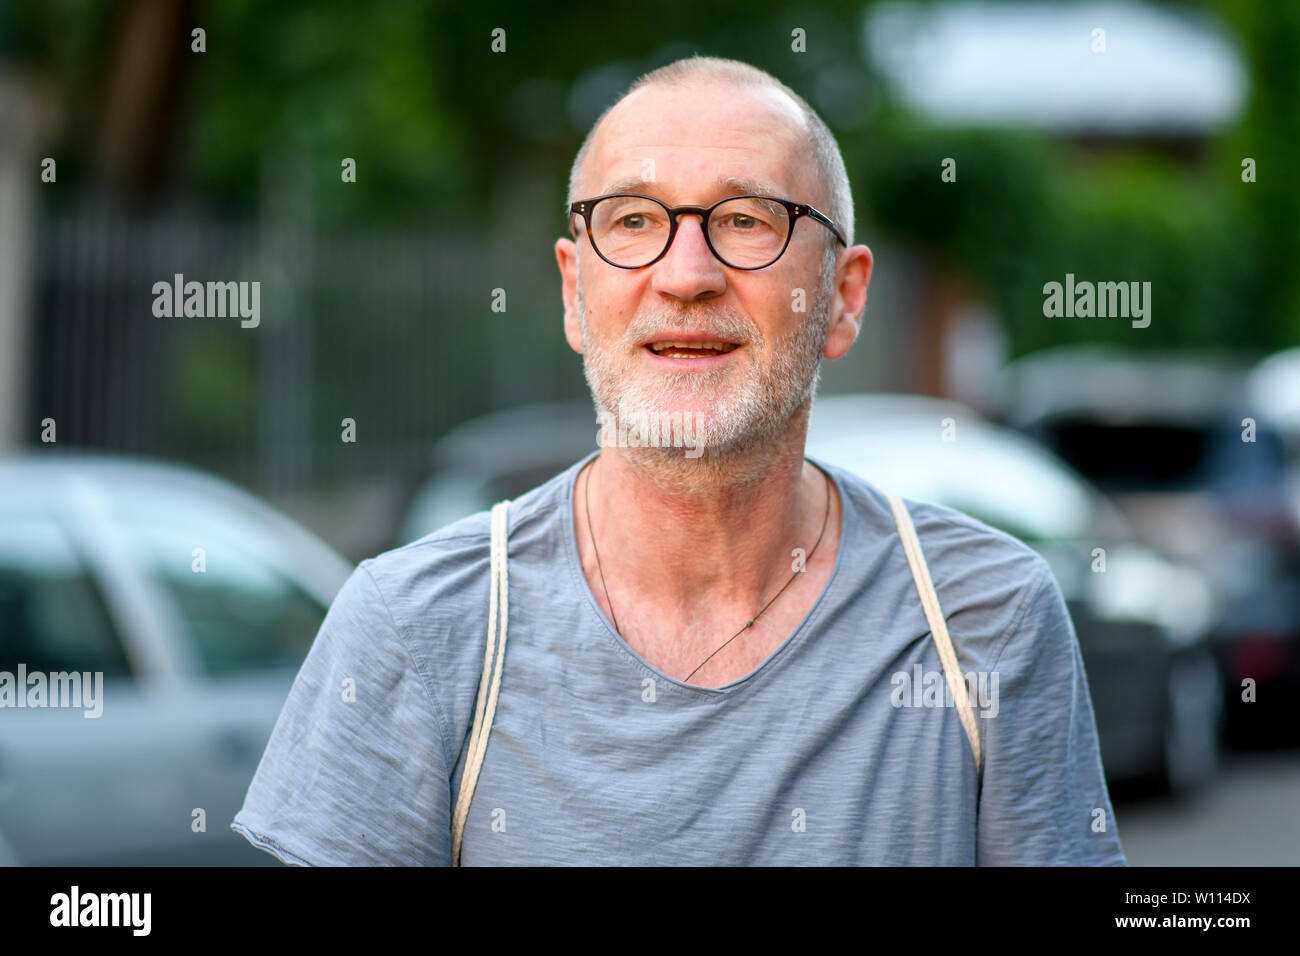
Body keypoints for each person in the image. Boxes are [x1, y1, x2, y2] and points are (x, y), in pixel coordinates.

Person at [232, 55, 1126, 866]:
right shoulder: (417, 629)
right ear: (575, 291)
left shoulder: (984, 622)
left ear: (844, 299)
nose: (686, 273)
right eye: (631, 221)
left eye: (746, 220)